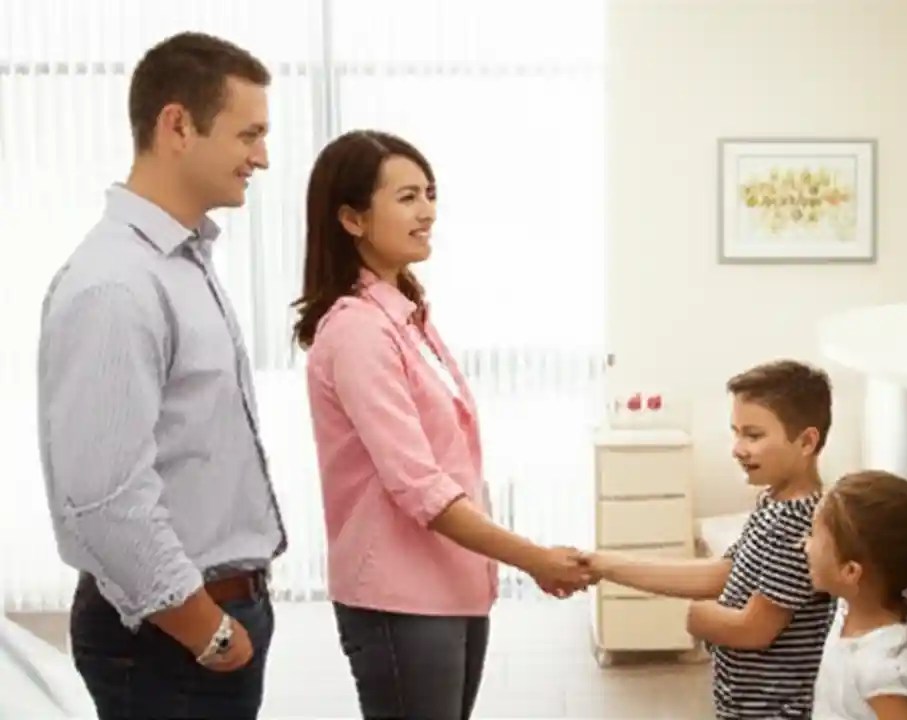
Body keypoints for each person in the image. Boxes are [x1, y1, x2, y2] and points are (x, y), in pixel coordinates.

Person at [293, 129, 592, 719]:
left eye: (429, 193)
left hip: (450, 585)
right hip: (399, 597)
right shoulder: (358, 330)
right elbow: (421, 487)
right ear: (352, 219)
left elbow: (450, 463)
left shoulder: (406, 316)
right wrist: (531, 557)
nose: (427, 210)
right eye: (406, 197)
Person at [37, 31, 284, 718]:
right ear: (178, 125)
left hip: (200, 623)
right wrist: (209, 632)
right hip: (168, 641)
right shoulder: (116, 284)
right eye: (249, 134)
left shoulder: (178, 263)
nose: (262, 157)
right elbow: (105, 497)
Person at [588, 360, 837, 719]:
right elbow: (723, 574)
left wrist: (698, 618)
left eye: (753, 436)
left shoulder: (796, 525)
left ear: (806, 441)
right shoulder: (774, 504)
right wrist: (607, 564)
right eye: (735, 433)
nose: (737, 448)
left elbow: (754, 629)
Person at [805, 471, 907, 720]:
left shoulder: (885, 669)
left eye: (813, 536)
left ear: (850, 571)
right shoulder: (848, 609)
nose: (804, 544)